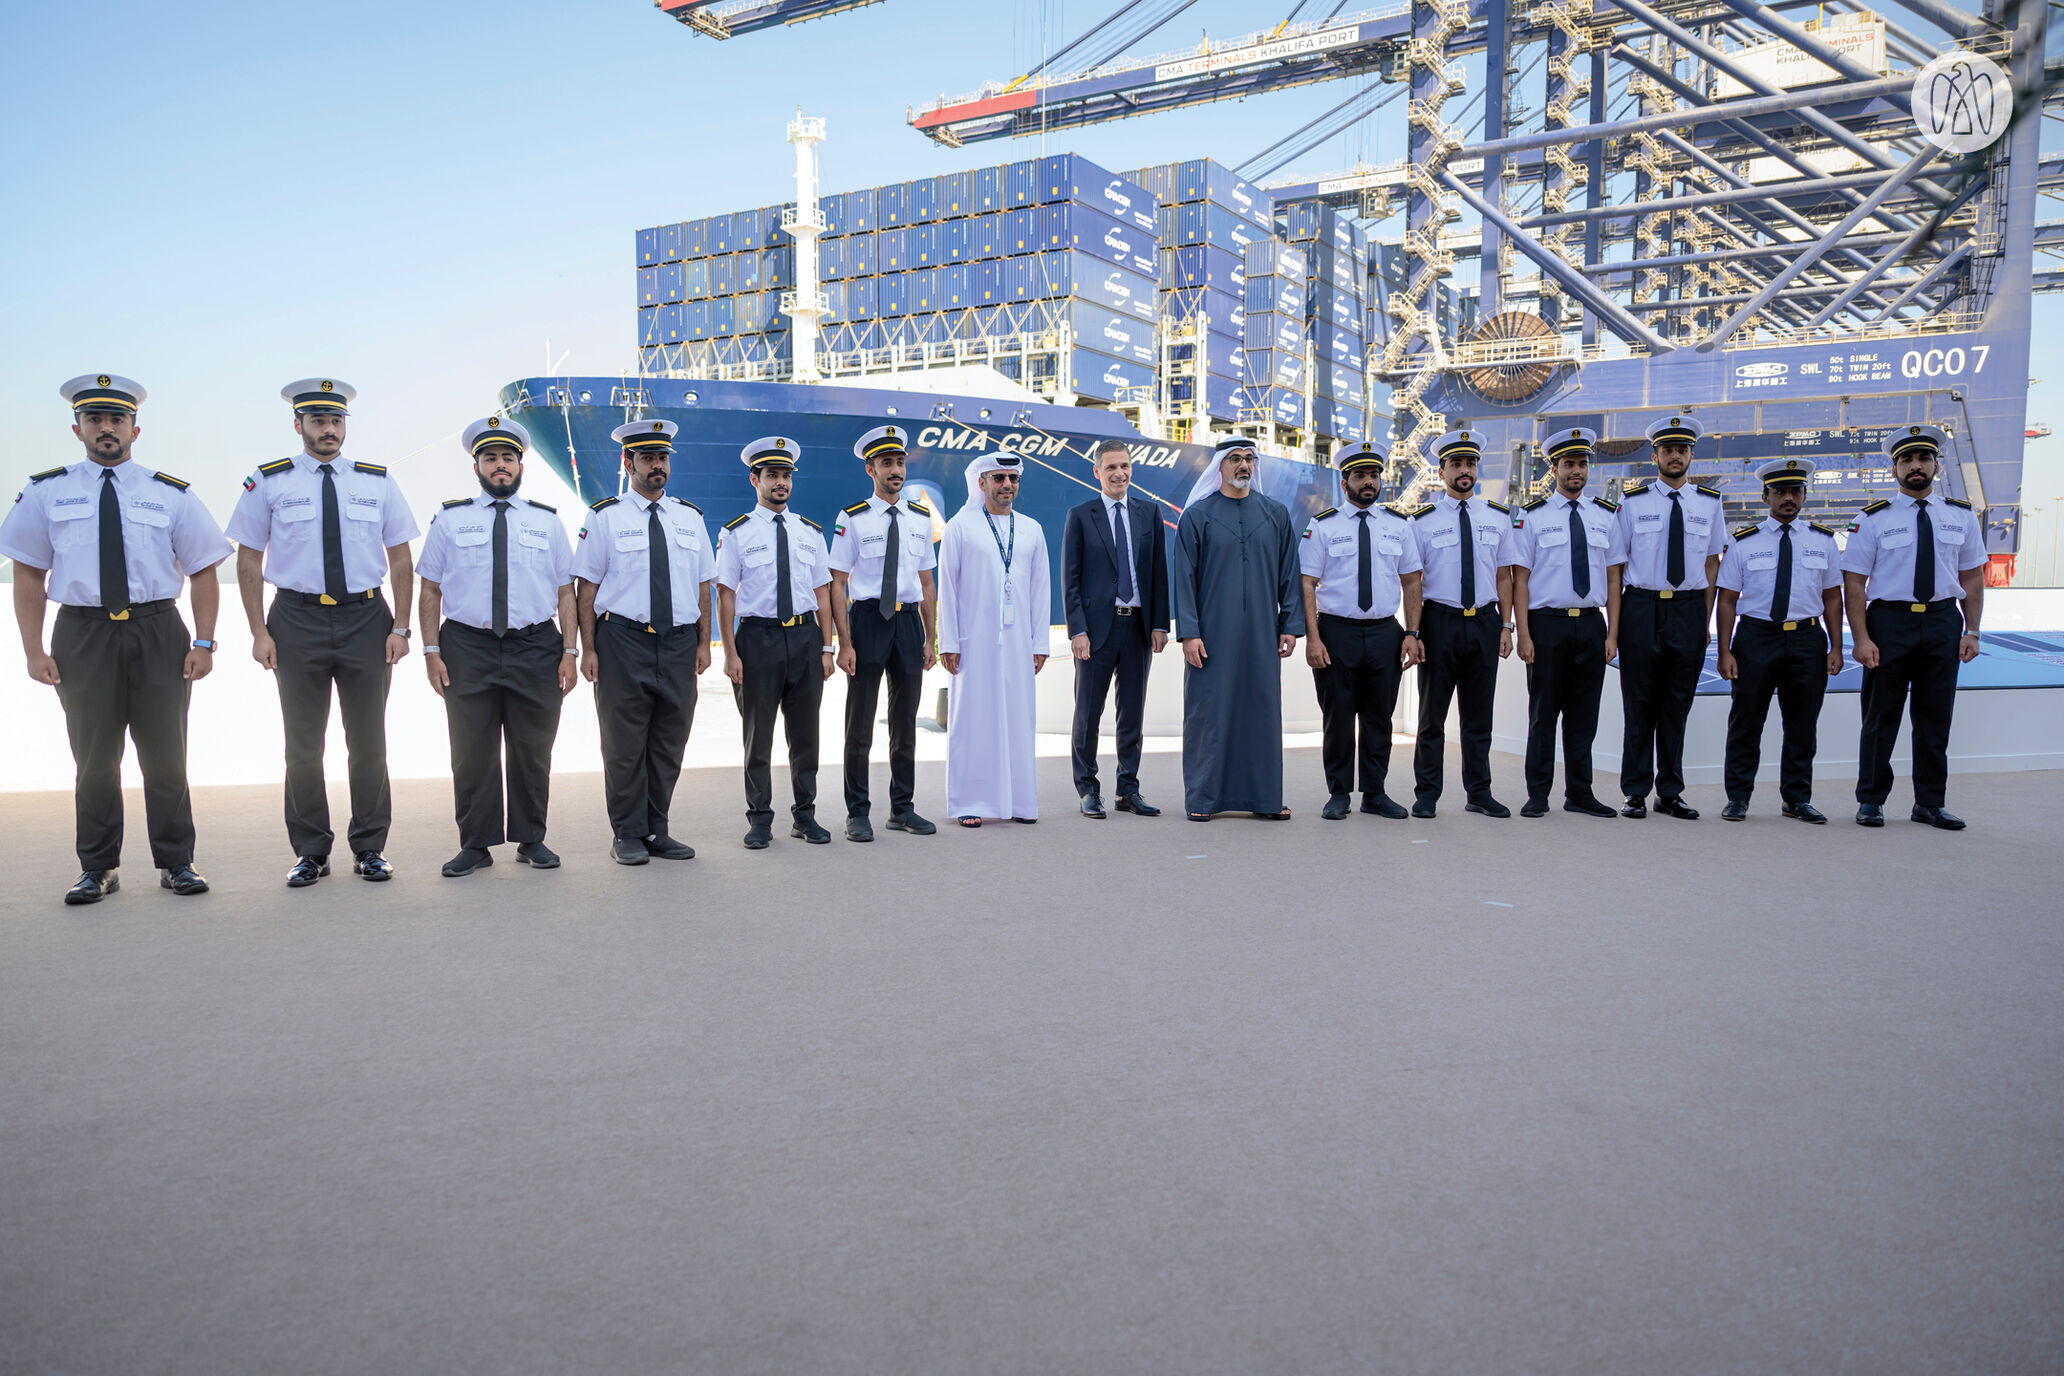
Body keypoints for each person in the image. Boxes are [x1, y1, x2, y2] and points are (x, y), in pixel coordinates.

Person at [1, 375, 231, 905]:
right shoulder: (46, 492)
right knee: (95, 759)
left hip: (158, 630)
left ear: (135, 428)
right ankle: (98, 867)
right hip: (83, 633)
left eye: (117, 419)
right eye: (96, 419)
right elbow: (29, 574)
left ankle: (178, 862)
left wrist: (205, 642)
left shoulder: (169, 493)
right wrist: (33, 650)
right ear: (77, 428)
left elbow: (203, 570)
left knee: (166, 754)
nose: (107, 428)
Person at [227, 378, 419, 886]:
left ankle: (370, 847)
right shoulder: (269, 481)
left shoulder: (376, 481)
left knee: (369, 741)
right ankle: (311, 851)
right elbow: (249, 560)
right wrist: (257, 631)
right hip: (295, 621)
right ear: (299, 426)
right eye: (318, 421)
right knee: (303, 744)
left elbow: (401, 558)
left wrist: (401, 625)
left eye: (336, 421)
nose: (329, 429)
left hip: (365, 619)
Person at [416, 417, 578, 876]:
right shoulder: (451, 519)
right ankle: (476, 844)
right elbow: (429, 590)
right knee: (471, 751)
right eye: (490, 458)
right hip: (468, 646)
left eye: (508, 457)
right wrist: (431, 651)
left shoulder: (547, 521)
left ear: (521, 464)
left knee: (532, 749)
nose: (500, 465)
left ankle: (531, 839)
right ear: (477, 467)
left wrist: (570, 651)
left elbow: (567, 591)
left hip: (535, 646)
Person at [573, 419, 713, 865]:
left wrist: (703, 643)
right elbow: (587, 589)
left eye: (662, 458)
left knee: (670, 740)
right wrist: (588, 648)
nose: (657, 466)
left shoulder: (690, 518)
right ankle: (627, 834)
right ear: (627, 461)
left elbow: (703, 586)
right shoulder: (604, 517)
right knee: (623, 741)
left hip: (677, 641)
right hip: (622, 640)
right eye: (648, 458)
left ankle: (657, 829)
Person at [1842, 423, 1987, 830]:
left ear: (1936, 464)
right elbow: (1855, 582)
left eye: (1923, 458)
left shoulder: (1961, 516)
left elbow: (1972, 577)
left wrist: (1972, 630)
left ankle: (1930, 802)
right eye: (1906, 459)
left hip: (1942, 621)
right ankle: (1870, 800)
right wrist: (1862, 637)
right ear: (1894, 470)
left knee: (1935, 718)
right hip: (1889, 622)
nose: (1916, 466)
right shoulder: (1871, 518)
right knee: (1880, 716)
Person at [1172, 435, 1302, 822]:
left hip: (1262, 634)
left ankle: (1265, 799)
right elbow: (1183, 578)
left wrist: (1289, 626)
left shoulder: (1275, 515)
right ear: (1219, 467)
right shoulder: (1197, 516)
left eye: (1249, 459)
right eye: (1234, 459)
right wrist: (1190, 633)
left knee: (1261, 711)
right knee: (1208, 713)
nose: (1243, 466)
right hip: (1211, 636)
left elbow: (1289, 577)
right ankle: (1203, 799)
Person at [717, 436, 837, 849]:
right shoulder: (736, 533)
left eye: (786, 475)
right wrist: (731, 652)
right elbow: (726, 594)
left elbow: (823, 592)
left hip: (805, 638)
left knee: (806, 736)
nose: (781, 482)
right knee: (758, 736)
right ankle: (760, 819)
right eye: (772, 475)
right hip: (757, 639)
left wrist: (827, 647)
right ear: (755, 479)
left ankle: (805, 816)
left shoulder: (810, 532)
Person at [1714, 457, 1845, 823]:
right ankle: (1738, 797)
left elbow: (1833, 596)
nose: (1788, 498)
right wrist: (1724, 650)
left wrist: (1836, 646)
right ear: (1765, 496)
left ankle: (1797, 798)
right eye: (1779, 491)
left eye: (1794, 491)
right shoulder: (1743, 543)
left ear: (1804, 495)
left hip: (1806, 639)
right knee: (1746, 722)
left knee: (1802, 725)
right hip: (1756, 639)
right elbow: (1727, 600)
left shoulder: (1823, 542)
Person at [1299, 440, 1424, 821]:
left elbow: (1412, 583)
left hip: (1386, 632)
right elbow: (1306, 584)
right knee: (1337, 718)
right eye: (1360, 476)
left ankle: (1375, 792)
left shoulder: (1399, 526)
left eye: (1374, 475)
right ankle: (1338, 793)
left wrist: (1412, 633)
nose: (1368, 482)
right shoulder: (1322, 527)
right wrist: (1314, 639)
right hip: (1336, 633)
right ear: (1345, 482)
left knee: (1379, 719)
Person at [1611, 414, 1726, 820]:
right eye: (1667, 450)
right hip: (1641, 607)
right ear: (1655, 455)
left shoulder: (1710, 505)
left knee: (1677, 706)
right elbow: (1616, 566)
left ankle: (1671, 792)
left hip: (1689, 608)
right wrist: (1616, 627)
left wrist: (1704, 620)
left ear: (1691, 454)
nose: (1675, 456)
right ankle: (1635, 791)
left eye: (1682, 449)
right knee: (1639, 704)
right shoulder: (1632, 502)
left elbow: (1712, 564)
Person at [1508, 426, 1626, 819]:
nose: (1576, 471)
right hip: (1547, 626)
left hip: (1590, 626)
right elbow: (1520, 579)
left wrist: (1612, 632)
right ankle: (1538, 793)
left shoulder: (1605, 517)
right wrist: (1522, 633)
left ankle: (1580, 793)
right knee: (1543, 715)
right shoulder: (1532, 516)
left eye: (1582, 464)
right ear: (1553, 468)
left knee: (1583, 718)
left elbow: (1613, 578)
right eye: (1569, 464)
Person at [828, 424, 938, 842]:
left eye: (900, 462)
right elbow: (837, 581)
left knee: (905, 721)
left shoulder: (919, 519)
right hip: (869, 621)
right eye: (887, 463)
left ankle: (902, 808)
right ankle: (857, 812)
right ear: (870, 470)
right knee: (859, 723)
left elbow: (927, 583)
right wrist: (845, 641)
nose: (896, 470)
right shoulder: (852, 518)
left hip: (908, 623)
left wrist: (930, 638)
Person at [937, 452, 1051, 826]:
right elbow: (947, 590)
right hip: (973, 642)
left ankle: (1020, 802)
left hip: (1019, 643)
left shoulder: (1032, 529)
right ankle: (971, 802)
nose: (1007, 485)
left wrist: (1039, 644)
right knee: (974, 720)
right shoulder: (960, 527)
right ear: (981, 482)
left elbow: (1040, 591)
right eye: (998, 478)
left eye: (1012, 478)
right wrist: (948, 642)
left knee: (1019, 718)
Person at [1407, 428, 1514, 818]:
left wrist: (1507, 626)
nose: (1464, 470)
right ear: (1442, 471)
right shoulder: (1421, 521)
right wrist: (1413, 632)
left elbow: (1505, 576)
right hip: (1440, 623)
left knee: (1478, 717)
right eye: (1456, 464)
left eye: (1470, 463)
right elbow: (1413, 583)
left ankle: (1479, 792)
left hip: (1485, 622)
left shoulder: (1498, 517)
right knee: (1431, 718)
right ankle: (1427, 794)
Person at [1062, 437, 1169, 820]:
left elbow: (1159, 573)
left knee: (1132, 714)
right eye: (1111, 467)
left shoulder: (1149, 514)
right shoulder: (1080, 515)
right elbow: (1070, 579)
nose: (1119, 473)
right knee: (1088, 714)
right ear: (1097, 472)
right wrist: (1077, 630)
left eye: (1124, 466)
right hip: (1095, 632)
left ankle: (1128, 788)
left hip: (1138, 628)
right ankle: (1088, 789)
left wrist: (1160, 623)